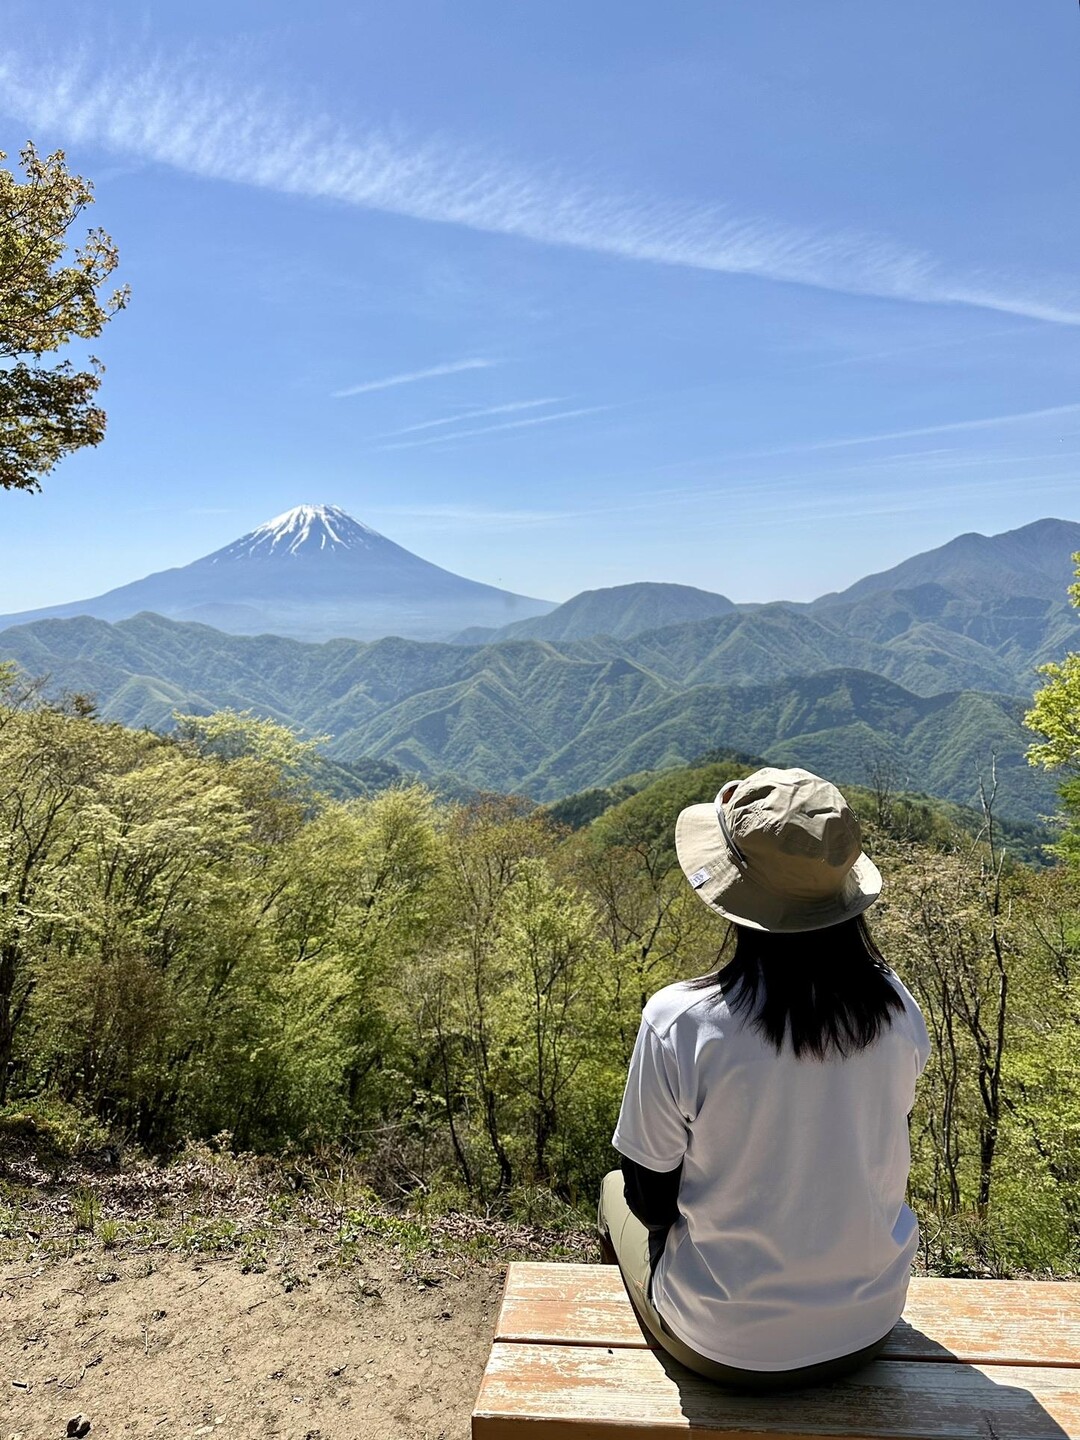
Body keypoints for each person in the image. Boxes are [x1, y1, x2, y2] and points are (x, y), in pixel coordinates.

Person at [598, 766, 930, 1389]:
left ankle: (641, 1366)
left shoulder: (681, 1023)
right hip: (869, 1325)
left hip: (726, 1345)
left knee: (614, 1189)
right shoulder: (896, 1009)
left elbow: (649, 1200)